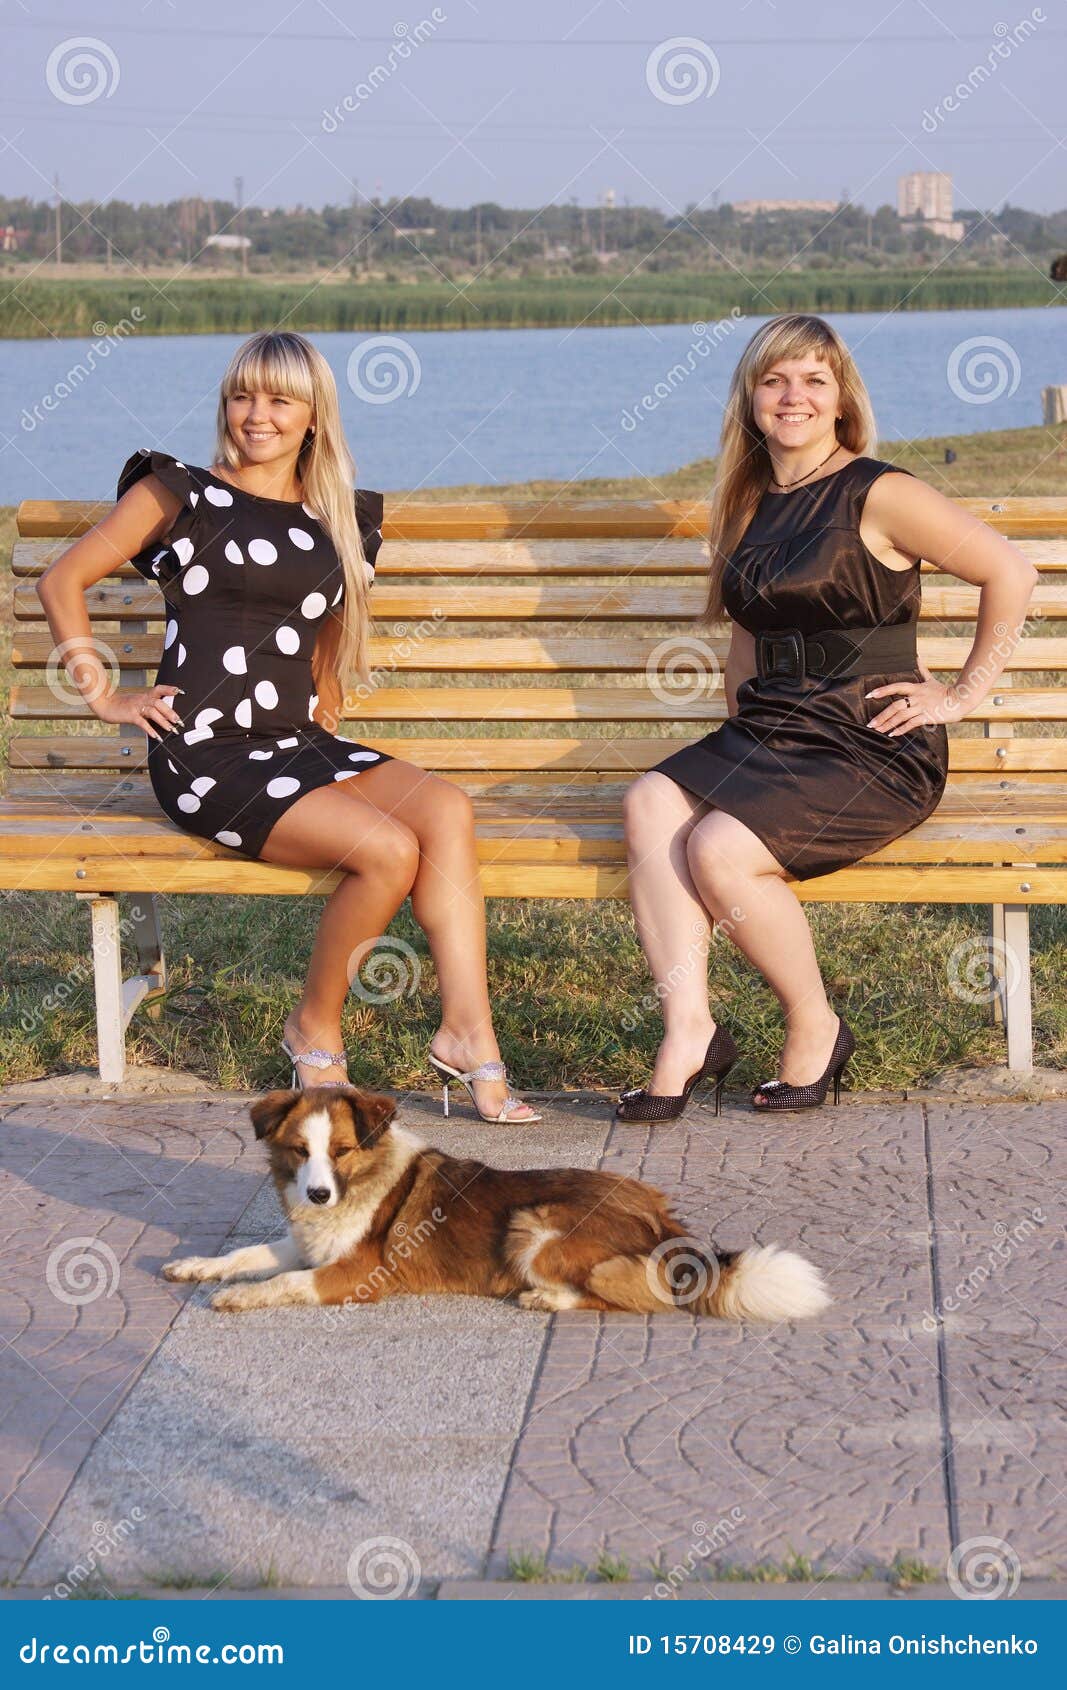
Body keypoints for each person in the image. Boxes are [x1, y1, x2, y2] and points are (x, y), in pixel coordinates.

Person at [36, 330, 539, 1123]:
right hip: (204, 753)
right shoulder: (178, 492)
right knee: (385, 851)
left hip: (295, 744)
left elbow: (330, 621)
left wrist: (325, 703)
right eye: (242, 395)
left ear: (313, 416)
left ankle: (466, 1030)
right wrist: (104, 695)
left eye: (278, 399)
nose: (256, 415)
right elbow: (61, 578)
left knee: (447, 808)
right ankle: (313, 1030)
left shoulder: (337, 514)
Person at [617, 314, 1038, 1119]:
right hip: (771, 729)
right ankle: (689, 1031)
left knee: (719, 849)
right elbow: (747, 639)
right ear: (749, 398)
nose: (792, 396)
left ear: (841, 399)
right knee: (647, 802)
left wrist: (959, 694)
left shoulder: (878, 491)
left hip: (869, 740)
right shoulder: (746, 504)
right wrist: (737, 741)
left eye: (813, 380)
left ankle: (815, 1025)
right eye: (774, 380)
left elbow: (1008, 572)